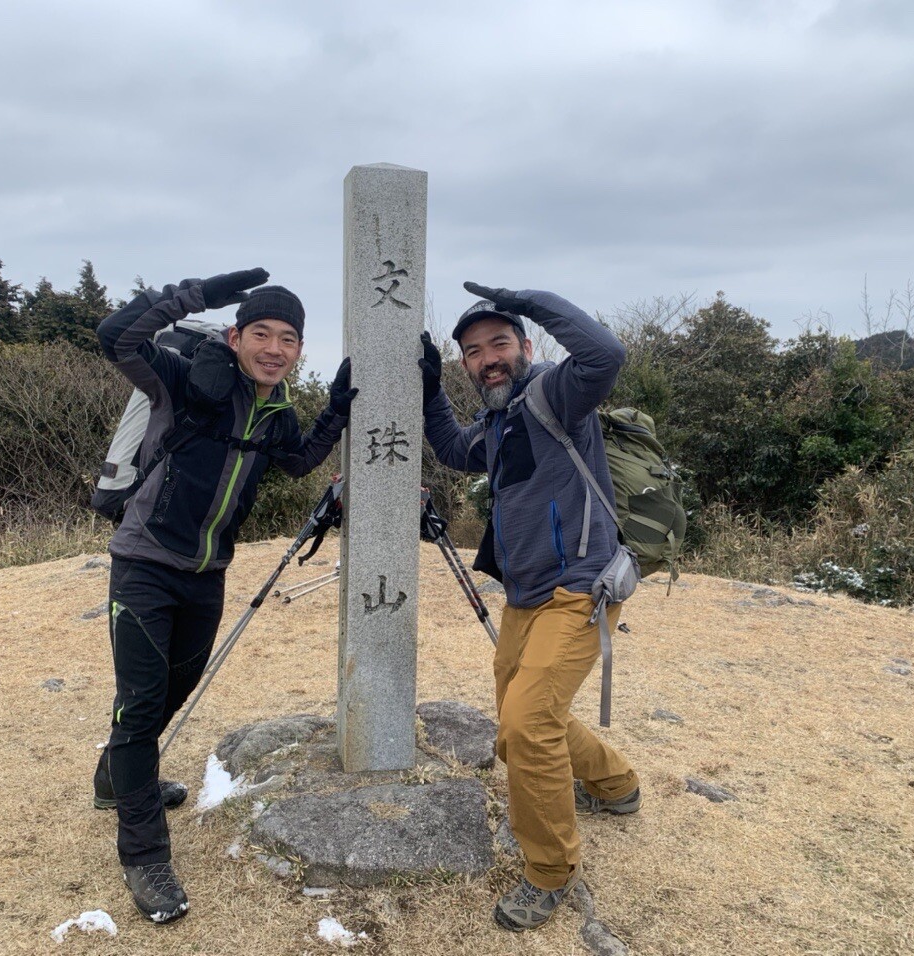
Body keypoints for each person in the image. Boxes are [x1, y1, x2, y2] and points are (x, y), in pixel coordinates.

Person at [92, 268, 355, 923]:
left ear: (299, 350)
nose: (274, 347)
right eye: (260, 332)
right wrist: (199, 294)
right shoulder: (182, 382)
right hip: (144, 568)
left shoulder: (274, 411)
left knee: (170, 694)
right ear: (234, 337)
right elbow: (116, 337)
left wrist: (340, 407)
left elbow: (295, 460)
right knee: (141, 703)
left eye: (288, 338)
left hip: (207, 575)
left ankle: (112, 781)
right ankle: (145, 856)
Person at [420, 281, 640, 932]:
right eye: (471, 352)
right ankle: (615, 784)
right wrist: (429, 384)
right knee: (523, 717)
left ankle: (549, 872)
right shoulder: (497, 421)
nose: (486, 358)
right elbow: (456, 452)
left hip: (581, 586)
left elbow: (606, 354)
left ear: (526, 345)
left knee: (526, 723)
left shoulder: (556, 393)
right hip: (526, 595)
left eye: (498, 343)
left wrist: (529, 298)